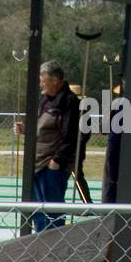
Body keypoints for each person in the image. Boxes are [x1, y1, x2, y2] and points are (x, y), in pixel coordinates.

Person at [14, 60, 79, 232]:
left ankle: (53, 249)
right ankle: (39, 246)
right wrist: (25, 129)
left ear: (55, 80)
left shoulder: (69, 101)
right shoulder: (43, 99)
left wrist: (56, 161)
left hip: (52, 166)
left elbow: (70, 136)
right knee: (37, 210)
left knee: (51, 211)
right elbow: (40, 127)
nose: (41, 82)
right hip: (35, 163)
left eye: (44, 79)